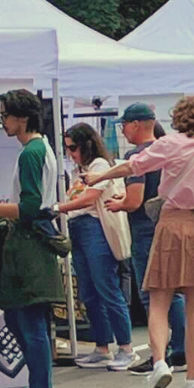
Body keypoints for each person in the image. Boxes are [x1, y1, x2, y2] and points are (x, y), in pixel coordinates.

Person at [86, 96, 194, 388]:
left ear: (180, 118)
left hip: (169, 224)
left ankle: (159, 362)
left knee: (159, 301)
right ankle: (192, 381)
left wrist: (100, 176)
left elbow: (134, 165)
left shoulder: (170, 143)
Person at [0, 90, 65, 388]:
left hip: (28, 244)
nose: (2, 121)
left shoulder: (31, 152)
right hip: (32, 241)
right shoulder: (40, 149)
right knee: (21, 318)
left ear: (21, 118)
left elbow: (29, 208)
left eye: (5, 115)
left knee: (28, 321)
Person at [107, 104, 187, 377]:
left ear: (137, 124)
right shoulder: (168, 150)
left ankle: (161, 355)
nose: (123, 130)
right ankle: (180, 349)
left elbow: (134, 200)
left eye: (125, 125)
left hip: (144, 229)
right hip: (170, 223)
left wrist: (118, 204)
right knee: (173, 291)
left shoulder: (138, 156)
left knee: (152, 294)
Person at [56, 123, 136, 371]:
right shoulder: (82, 168)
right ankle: (102, 346)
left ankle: (125, 347)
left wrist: (57, 208)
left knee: (107, 288)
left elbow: (90, 198)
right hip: (79, 228)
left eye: (73, 148)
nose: (70, 153)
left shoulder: (100, 165)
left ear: (85, 145)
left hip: (94, 229)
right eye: (67, 148)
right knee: (88, 292)